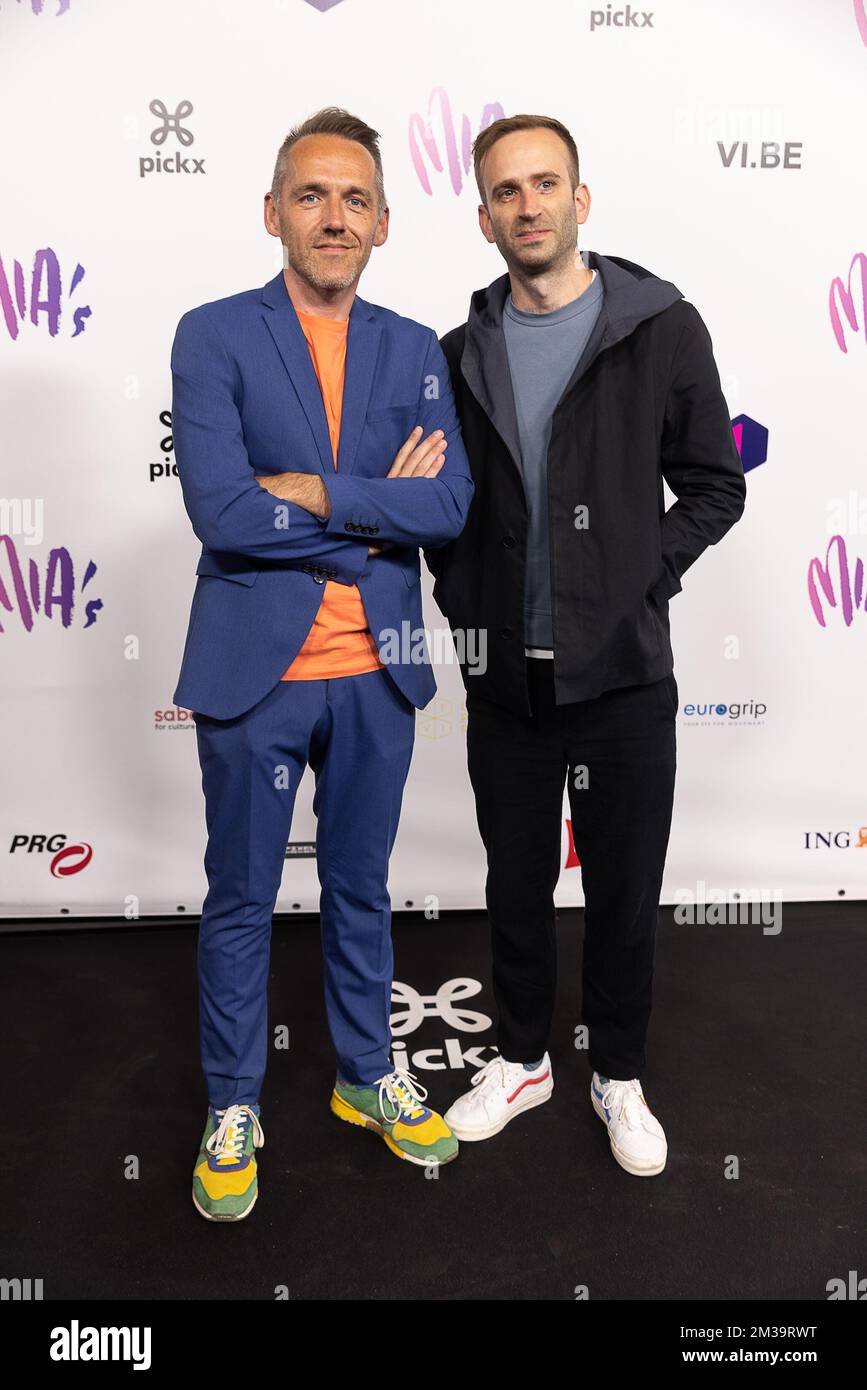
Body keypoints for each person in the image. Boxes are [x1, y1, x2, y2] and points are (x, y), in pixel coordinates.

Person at [170, 108, 474, 1220]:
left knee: (360, 887)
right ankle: (234, 1101)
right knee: (243, 893)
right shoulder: (212, 334)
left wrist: (319, 490)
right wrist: (372, 515)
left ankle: (364, 1075)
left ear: (384, 223)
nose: (333, 216)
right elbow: (221, 510)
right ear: (272, 214)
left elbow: (444, 505)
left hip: (381, 668)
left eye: (354, 199)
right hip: (258, 669)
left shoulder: (414, 345)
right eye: (311, 195)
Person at [430, 114, 746, 1177]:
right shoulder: (457, 353)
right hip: (503, 683)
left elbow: (713, 484)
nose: (528, 205)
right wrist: (465, 603)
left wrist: (633, 579)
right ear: (483, 215)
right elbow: (448, 510)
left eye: (545, 184)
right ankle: (520, 1058)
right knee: (514, 883)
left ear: (581, 199)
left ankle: (618, 1071)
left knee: (621, 888)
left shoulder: (661, 326)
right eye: (507, 191)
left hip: (621, 674)